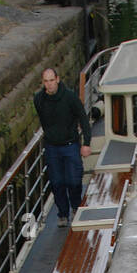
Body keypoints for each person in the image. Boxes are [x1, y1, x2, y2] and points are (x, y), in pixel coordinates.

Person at [33, 67, 91, 227]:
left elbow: (83, 119)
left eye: (52, 80)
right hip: (52, 147)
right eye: (46, 81)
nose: (49, 84)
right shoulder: (39, 100)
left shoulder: (70, 98)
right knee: (57, 182)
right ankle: (63, 213)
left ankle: (76, 207)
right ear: (43, 83)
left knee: (73, 181)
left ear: (57, 79)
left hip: (70, 145)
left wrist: (86, 143)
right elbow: (44, 120)